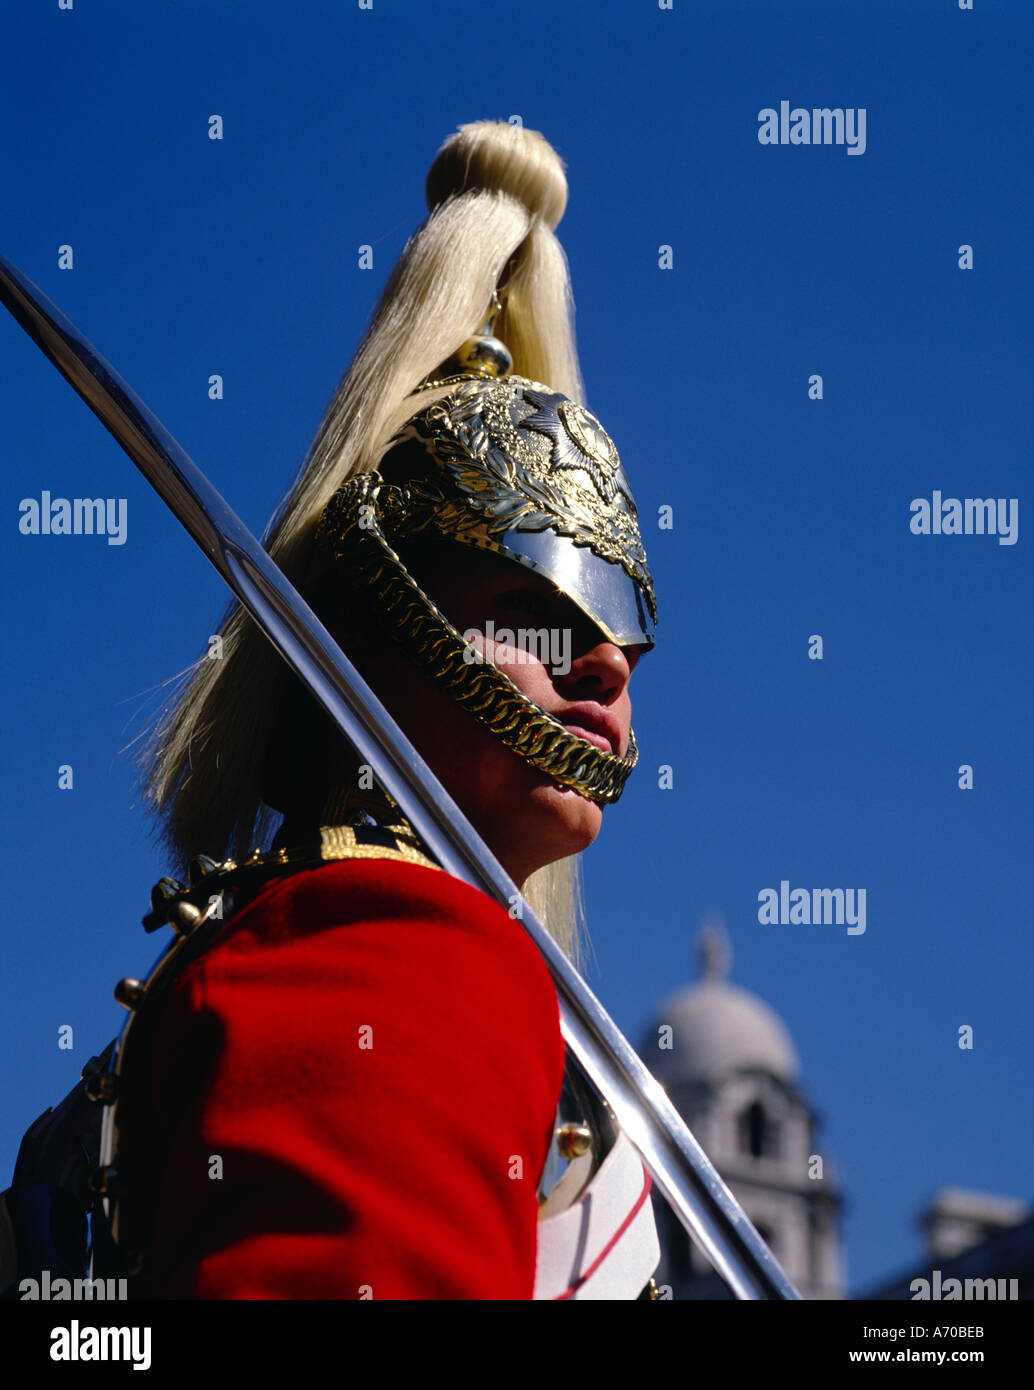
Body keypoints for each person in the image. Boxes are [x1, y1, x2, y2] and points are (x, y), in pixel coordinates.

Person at [94, 121, 661, 1299]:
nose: (603, 666)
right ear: (378, 623)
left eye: (620, 627)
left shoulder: (317, 930)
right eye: (539, 612)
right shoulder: (398, 949)